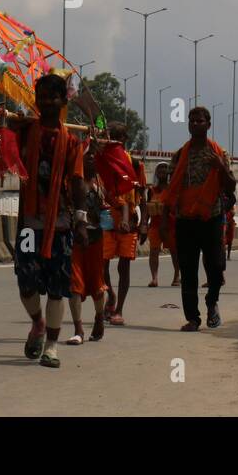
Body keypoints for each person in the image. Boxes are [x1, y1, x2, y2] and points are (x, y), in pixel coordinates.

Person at [4, 73, 87, 368]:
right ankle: (37, 323)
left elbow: (78, 182)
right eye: (42, 98)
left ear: (64, 101)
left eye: (53, 97)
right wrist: (3, 122)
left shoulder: (73, 143)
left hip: (61, 224)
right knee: (26, 283)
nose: (47, 103)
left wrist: (80, 219)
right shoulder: (26, 132)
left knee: (56, 288)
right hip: (29, 223)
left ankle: (52, 345)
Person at [166, 106, 235, 330]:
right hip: (186, 220)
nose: (195, 124)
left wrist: (220, 167)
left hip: (212, 218)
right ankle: (193, 318)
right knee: (188, 271)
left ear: (208, 124)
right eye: (192, 121)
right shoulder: (180, 155)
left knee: (215, 268)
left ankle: (212, 301)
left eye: (200, 121)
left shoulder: (219, 153)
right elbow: (172, 187)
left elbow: (231, 186)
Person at [98, 124, 140, 325]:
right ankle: (111, 296)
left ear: (124, 138)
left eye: (116, 136)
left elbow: (140, 193)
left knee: (124, 268)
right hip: (106, 217)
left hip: (128, 220)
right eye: (110, 136)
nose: (112, 139)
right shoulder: (102, 160)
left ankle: (119, 309)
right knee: (102, 266)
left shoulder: (135, 164)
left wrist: (142, 222)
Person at [68, 145, 107, 344]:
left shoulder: (102, 182)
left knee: (97, 285)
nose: (91, 159)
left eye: (94, 156)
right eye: (86, 156)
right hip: (74, 239)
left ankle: (99, 317)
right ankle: (78, 329)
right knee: (75, 285)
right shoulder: (72, 182)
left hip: (96, 239)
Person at [143, 162, 179, 286]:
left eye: (165, 168)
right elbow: (147, 209)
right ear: (156, 173)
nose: (163, 171)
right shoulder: (151, 190)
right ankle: (154, 278)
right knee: (153, 252)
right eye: (160, 169)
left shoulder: (172, 189)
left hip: (171, 225)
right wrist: (144, 224)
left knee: (175, 252)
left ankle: (176, 276)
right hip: (155, 225)